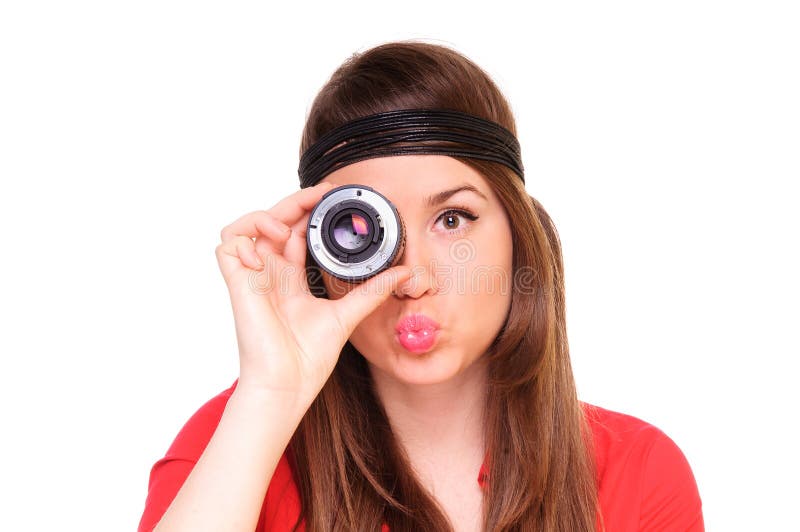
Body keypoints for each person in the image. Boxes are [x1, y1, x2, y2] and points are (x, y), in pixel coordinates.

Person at [138, 41, 704, 532]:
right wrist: (271, 394)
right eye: (363, 232)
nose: (413, 279)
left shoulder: (637, 470)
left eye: (453, 219)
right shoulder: (238, 440)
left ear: (518, 235)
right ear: (318, 253)